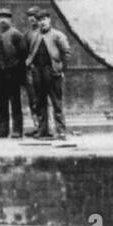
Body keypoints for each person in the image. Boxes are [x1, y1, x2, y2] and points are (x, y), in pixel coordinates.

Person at [26, 10, 71, 139]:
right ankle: (42, 130)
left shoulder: (58, 35)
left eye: (44, 19)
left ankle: (61, 131)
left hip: (52, 72)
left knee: (56, 103)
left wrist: (61, 69)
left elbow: (66, 53)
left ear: (49, 20)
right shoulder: (35, 36)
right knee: (40, 103)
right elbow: (31, 53)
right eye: (40, 20)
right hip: (38, 73)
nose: (42, 22)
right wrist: (30, 66)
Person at [0, 8, 26, 138]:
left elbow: (23, 56)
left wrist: (20, 76)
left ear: (10, 19)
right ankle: (2, 131)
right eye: (0, 17)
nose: (2, 20)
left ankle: (17, 130)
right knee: (0, 104)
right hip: (0, 76)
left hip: (13, 74)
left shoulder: (16, 35)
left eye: (5, 17)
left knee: (15, 104)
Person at [23, 5, 42, 127]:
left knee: (45, 100)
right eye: (29, 16)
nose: (32, 18)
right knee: (33, 100)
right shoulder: (27, 34)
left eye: (34, 15)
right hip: (31, 71)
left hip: (44, 70)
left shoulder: (45, 32)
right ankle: (37, 126)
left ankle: (47, 126)